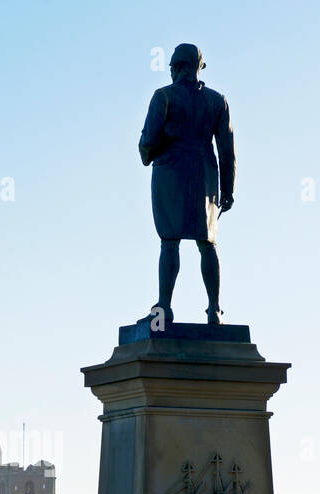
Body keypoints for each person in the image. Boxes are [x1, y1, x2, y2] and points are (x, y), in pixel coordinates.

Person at [137, 43, 235, 326]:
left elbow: (147, 144)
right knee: (208, 243)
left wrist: (151, 148)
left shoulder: (163, 97)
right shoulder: (217, 101)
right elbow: (227, 150)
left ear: (176, 68)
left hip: (171, 174)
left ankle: (163, 309)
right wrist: (228, 189)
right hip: (205, 176)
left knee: (169, 241)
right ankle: (214, 309)